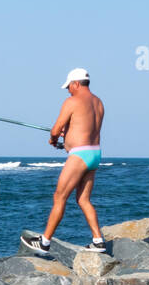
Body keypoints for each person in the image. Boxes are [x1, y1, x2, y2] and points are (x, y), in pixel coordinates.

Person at [21, 68, 107, 254]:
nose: (68, 90)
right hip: (95, 153)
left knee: (59, 197)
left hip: (80, 155)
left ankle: (44, 242)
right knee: (83, 199)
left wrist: (54, 138)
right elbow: (84, 127)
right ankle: (98, 241)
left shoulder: (72, 101)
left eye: (69, 86)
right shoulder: (99, 103)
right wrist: (66, 137)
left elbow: (56, 129)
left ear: (76, 84)